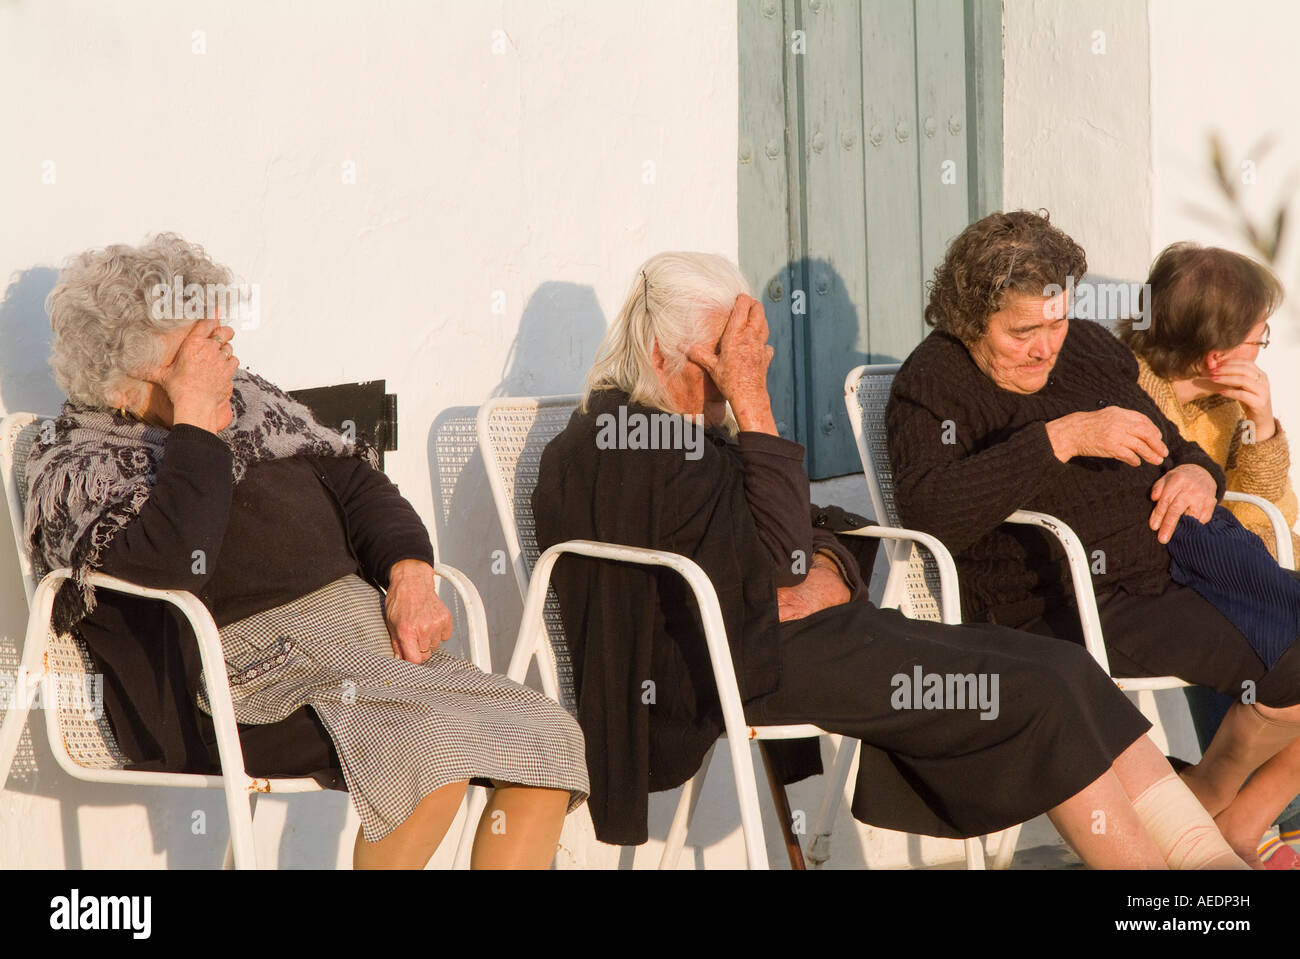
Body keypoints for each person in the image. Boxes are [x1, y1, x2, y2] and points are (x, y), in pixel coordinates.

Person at [533, 250, 1247, 869]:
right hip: (729, 667)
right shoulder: (616, 446)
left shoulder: (686, 432)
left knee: (1064, 667)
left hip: (803, 637)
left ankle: (1204, 862)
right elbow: (771, 557)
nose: (750, 368)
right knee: (1032, 694)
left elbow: (813, 531)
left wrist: (827, 570)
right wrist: (756, 415)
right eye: (730, 354)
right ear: (663, 355)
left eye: (747, 353)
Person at [25, 234, 588, 868]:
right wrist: (192, 425)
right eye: (196, 343)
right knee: (430, 750)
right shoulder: (80, 462)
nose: (224, 351)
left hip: (364, 651)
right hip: (235, 683)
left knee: (548, 739)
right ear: (127, 373)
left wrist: (409, 573)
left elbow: (357, 482)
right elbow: (174, 567)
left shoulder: (252, 406)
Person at [887, 209, 1300, 868]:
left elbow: (1171, 439)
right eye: (1024, 330)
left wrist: (1196, 468)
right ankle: (1213, 818)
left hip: (1173, 561)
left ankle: (1215, 809)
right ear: (968, 320)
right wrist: (1060, 437)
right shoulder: (931, 384)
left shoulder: (1084, 345)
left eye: (1055, 322)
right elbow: (932, 511)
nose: (1046, 346)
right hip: (1072, 601)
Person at [1119, 241, 1300, 864]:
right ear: (1217, 352)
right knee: (1267, 630)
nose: (1262, 348)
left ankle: (1240, 821)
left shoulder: (1222, 403)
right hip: (1183, 581)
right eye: (1259, 335)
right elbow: (1233, 538)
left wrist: (1264, 426)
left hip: (1248, 565)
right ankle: (1260, 825)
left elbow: (1271, 518)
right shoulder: (1133, 399)